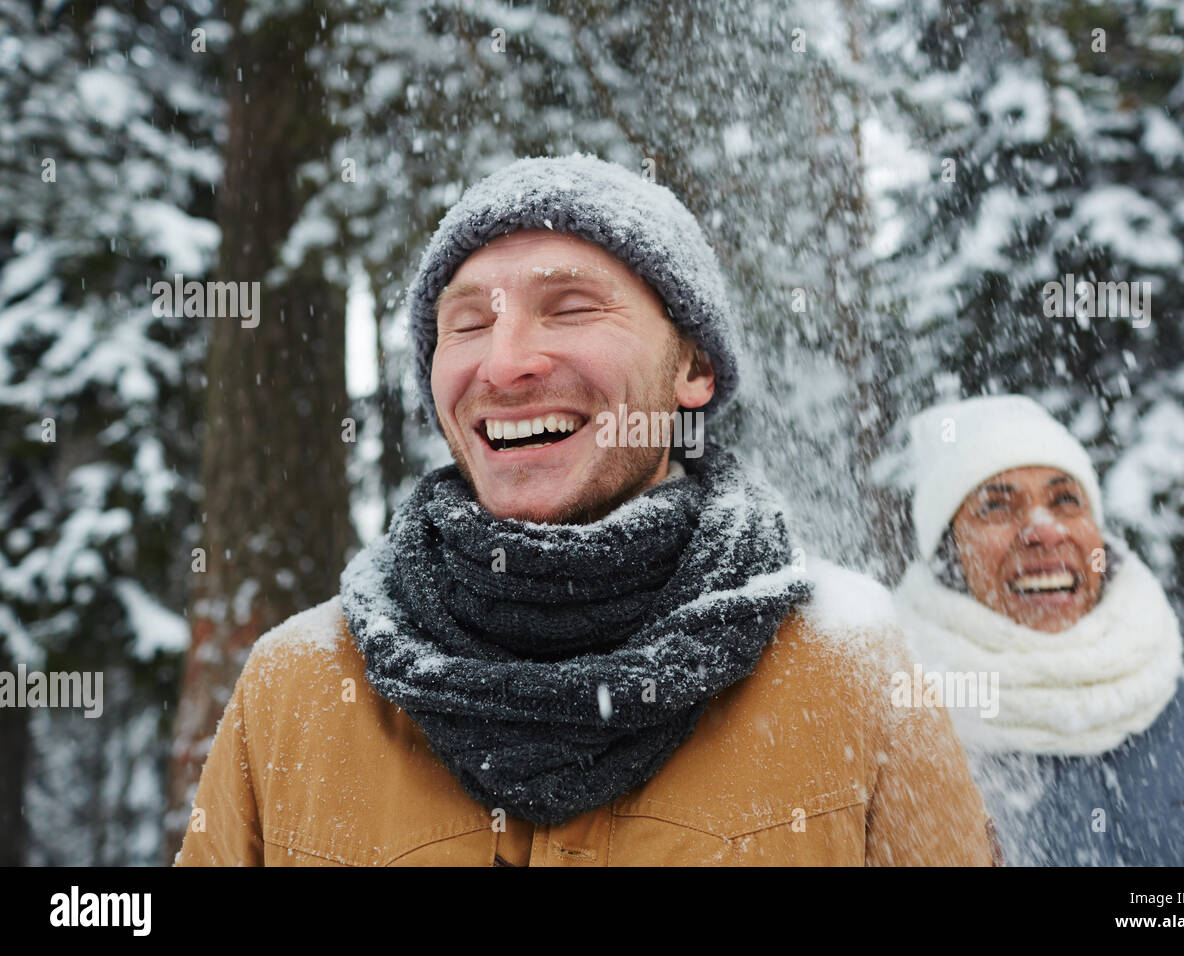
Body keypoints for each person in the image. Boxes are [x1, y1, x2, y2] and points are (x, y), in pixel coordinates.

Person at [175, 154, 996, 867]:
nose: (505, 363)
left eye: (570, 308)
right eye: (465, 324)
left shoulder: (847, 672)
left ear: (695, 369)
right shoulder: (296, 688)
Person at [894, 394, 1184, 866]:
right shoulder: (898, 735)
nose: (1044, 530)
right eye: (997, 507)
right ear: (949, 560)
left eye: (1065, 500)